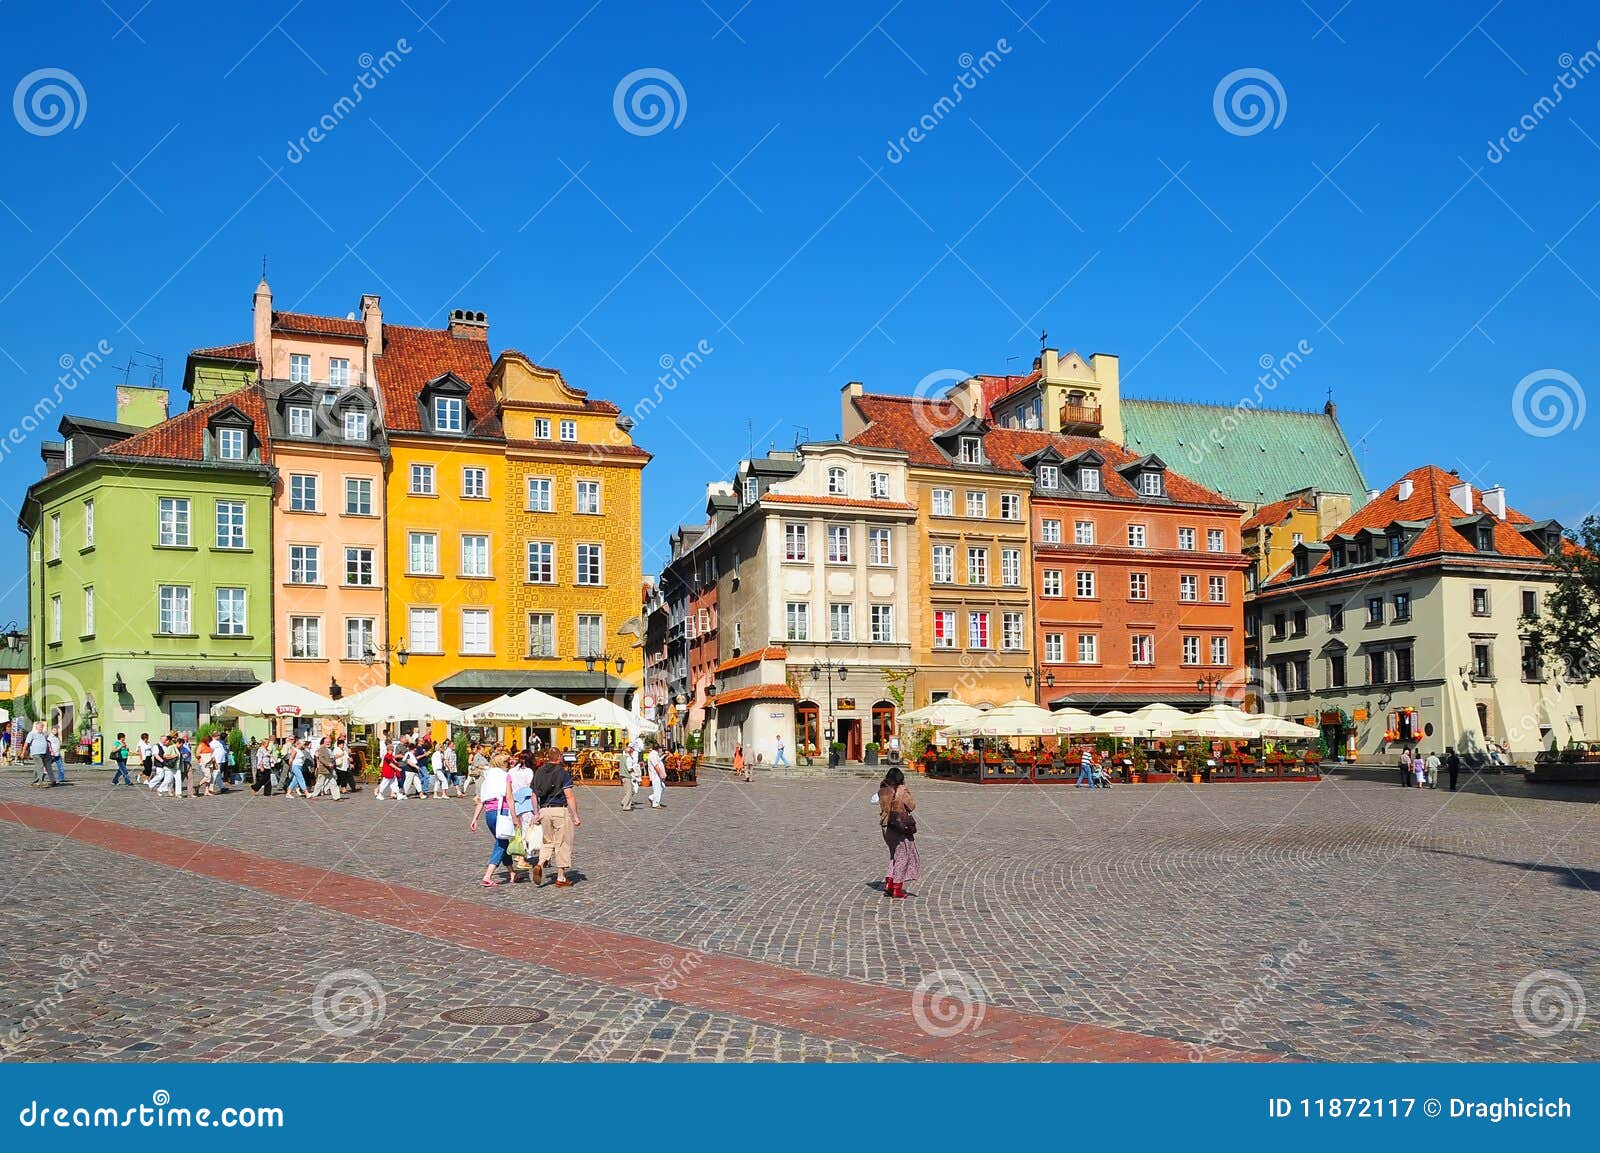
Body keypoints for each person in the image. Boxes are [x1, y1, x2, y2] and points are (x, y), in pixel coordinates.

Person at [532, 756, 579, 887]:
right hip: (559, 811)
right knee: (562, 842)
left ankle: (540, 864)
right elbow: (569, 796)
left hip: (544, 810)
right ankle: (561, 877)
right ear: (558, 758)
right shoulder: (563, 773)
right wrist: (575, 815)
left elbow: (534, 795)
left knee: (547, 841)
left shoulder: (539, 772)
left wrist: (536, 813)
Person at [877, 766, 921, 899]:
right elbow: (911, 806)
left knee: (894, 855)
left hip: (886, 826)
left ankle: (889, 882)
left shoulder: (882, 790)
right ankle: (897, 888)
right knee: (902, 856)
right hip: (899, 826)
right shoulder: (901, 790)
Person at [469, 754, 513, 887]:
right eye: (507, 762)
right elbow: (510, 798)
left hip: (489, 814)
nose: (510, 764)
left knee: (502, 841)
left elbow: (482, 801)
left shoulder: (488, 779)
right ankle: (488, 875)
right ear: (502, 764)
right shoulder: (506, 776)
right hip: (502, 812)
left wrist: (475, 818)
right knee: (501, 843)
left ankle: (512, 873)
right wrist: (515, 817)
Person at [621, 733, 642, 811]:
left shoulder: (622, 757)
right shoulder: (629, 759)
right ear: (630, 752)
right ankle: (626, 806)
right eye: (632, 752)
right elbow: (629, 769)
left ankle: (624, 802)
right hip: (627, 776)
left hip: (622, 776)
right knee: (630, 792)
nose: (633, 753)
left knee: (628, 791)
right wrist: (635, 770)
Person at [26, 722, 53, 787]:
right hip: (36, 752)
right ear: (36, 727)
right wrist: (23, 752)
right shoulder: (32, 733)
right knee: (40, 766)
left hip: (43, 753)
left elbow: (47, 741)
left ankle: (34, 781)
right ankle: (41, 782)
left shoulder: (44, 734)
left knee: (37, 767)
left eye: (42, 727)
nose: (41, 728)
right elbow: (26, 742)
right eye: (40, 726)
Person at [645, 743, 666, 808]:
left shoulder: (655, 754)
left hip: (657, 774)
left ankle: (652, 797)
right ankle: (656, 803)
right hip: (655, 774)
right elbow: (656, 766)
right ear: (658, 749)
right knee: (657, 789)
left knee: (662, 787)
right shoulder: (653, 755)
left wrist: (664, 756)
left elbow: (658, 761)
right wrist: (661, 774)